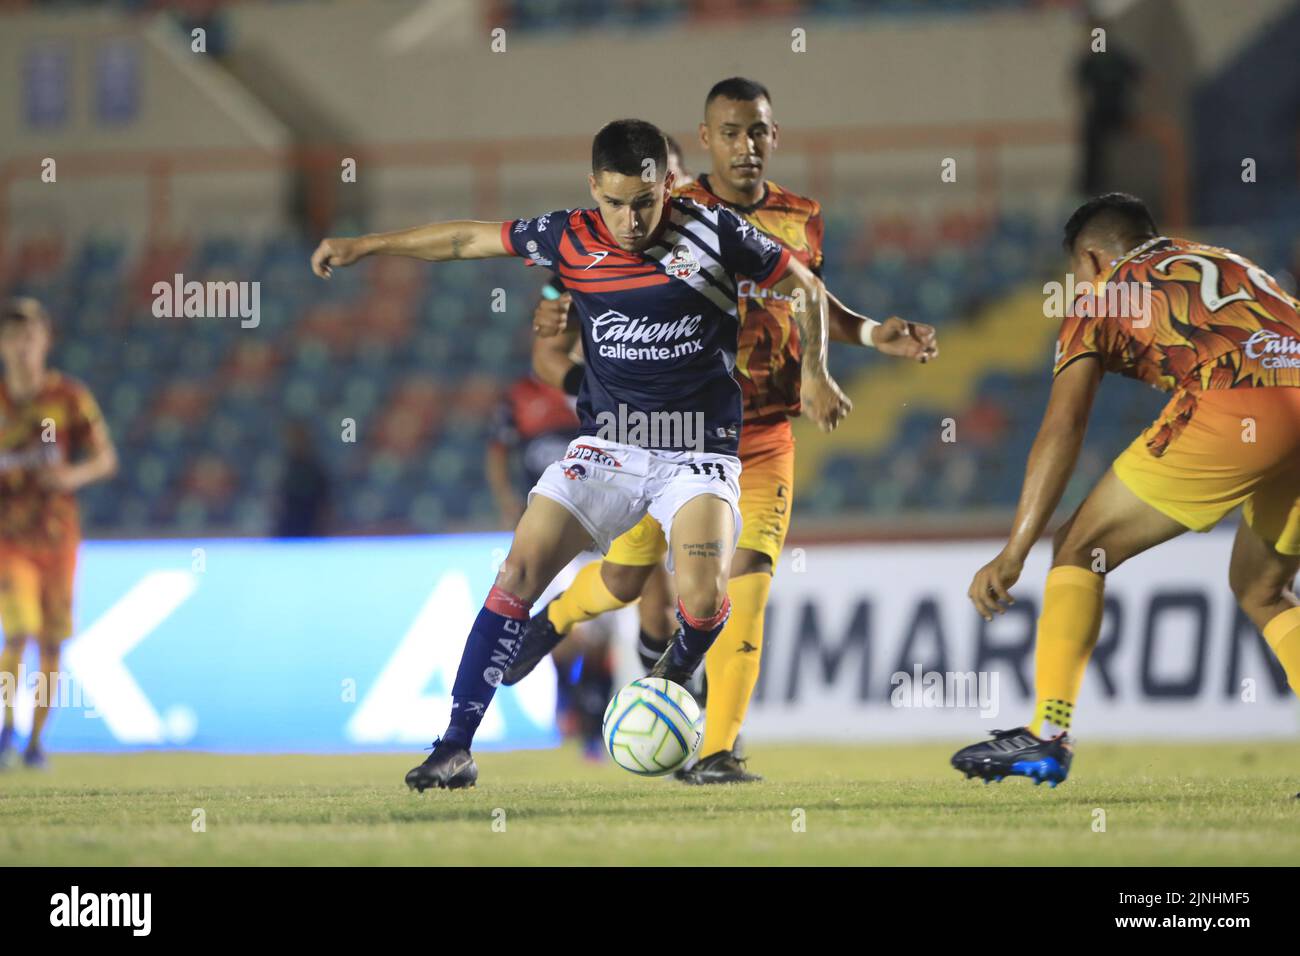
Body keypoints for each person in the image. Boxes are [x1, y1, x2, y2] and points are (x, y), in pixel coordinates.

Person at [311, 117, 851, 791]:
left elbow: (800, 282)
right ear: (594, 186)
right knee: (515, 572)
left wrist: (816, 372)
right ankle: (454, 746)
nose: (630, 219)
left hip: (697, 456)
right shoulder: (568, 236)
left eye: (645, 202)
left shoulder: (715, 231)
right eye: (617, 201)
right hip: (608, 447)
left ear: (666, 186)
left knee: (705, 598)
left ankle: (672, 679)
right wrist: (366, 245)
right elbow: (463, 238)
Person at [506, 78, 939, 785]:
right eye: (732, 132)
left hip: (764, 437)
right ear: (705, 139)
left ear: (775, 135)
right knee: (620, 579)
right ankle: (557, 616)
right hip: (672, 439)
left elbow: (807, 298)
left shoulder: (802, 215)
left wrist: (864, 334)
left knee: (747, 587)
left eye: (759, 131)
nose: (747, 146)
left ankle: (717, 751)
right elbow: (577, 295)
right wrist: (563, 329)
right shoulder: (670, 214)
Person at [954, 192, 1300, 786]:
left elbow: (1063, 426)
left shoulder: (1101, 293)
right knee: (1262, 588)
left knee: (1079, 547)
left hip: (1240, 401)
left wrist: (1014, 551)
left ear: (1090, 261)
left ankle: (1048, 734)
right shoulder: (1227, 261)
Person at [0, 298, 118, 769]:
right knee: (18, 630)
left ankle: (34, 744)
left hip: (58, 538)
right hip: (8, 538)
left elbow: (104, 458)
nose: (22, 345)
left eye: (30, 336)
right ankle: (7, 725)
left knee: (51, 642)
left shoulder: (69, 398)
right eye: (13, 336)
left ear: (46, 341)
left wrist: (72, 477)